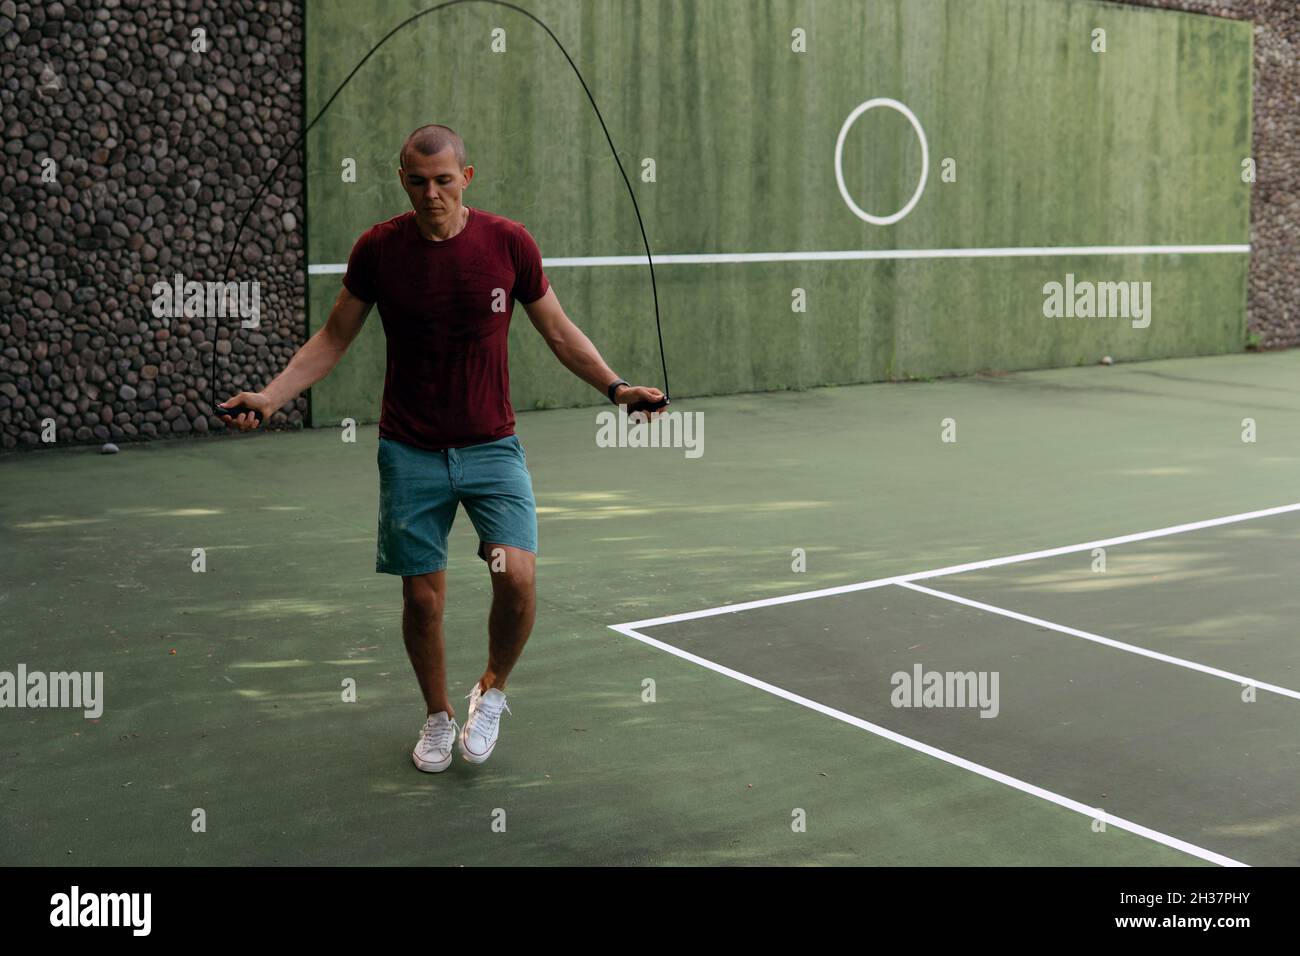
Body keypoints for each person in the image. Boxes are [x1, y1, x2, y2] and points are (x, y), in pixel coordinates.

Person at [217, 124, 666, 772]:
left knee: (514, 573)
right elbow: (332, 337)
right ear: (403, 180)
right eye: (419, 181)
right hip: (411, 450)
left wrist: (617, 388)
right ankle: (436, 715)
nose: (432, 193)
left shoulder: (508, 244)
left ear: (467, 178)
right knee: (422, 599)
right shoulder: (379, 251)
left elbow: (559, 331)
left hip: (491, 446)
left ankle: (491, 688)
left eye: (444, 181)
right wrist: (270, 396)